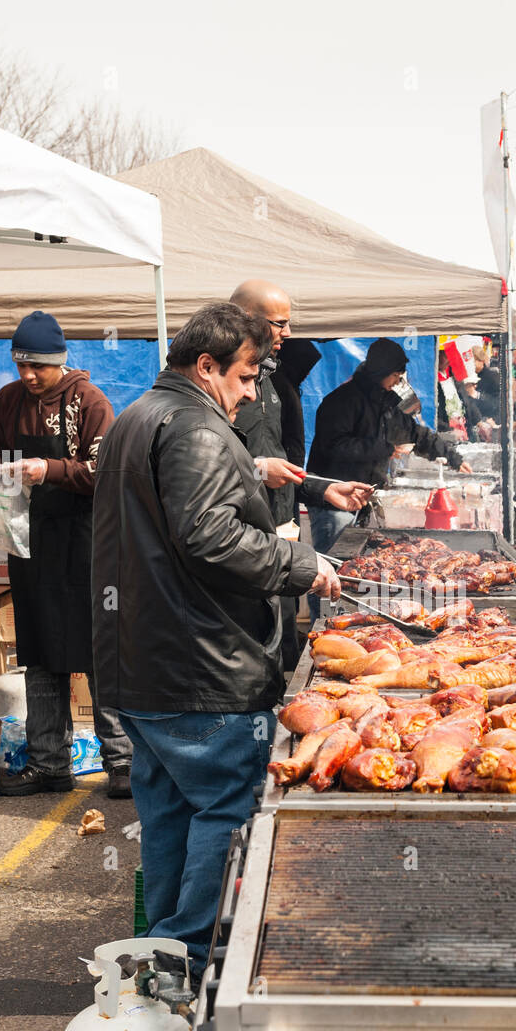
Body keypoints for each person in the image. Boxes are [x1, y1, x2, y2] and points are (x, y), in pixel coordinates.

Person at [91, 303, 340, 979]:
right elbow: (208, 539)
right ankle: (188, 960)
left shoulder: (141, 415)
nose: (254, 391)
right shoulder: (197, 428)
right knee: (224, 807)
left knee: (169, 810)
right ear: (207, 366)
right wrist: (301, 566)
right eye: (246, 376)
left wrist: (248, 472)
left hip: (139, 662)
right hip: (198, 664)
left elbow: (167, 512)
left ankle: (162, 951)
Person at [0, 310, 133, 799]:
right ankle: (49, 764)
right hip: (32, 546)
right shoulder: (6, 402)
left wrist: (47, 468)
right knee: (42, 654)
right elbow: (3, 470)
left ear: (60, 361)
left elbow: (105, 471)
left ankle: (122, 762)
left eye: (38, 367)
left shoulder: (88, 401)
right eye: (21, 365)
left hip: (87, 542)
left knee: (98, 653)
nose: (28, 376)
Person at [228, 280, 372, 664]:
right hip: (237, 542)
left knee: (284, 640)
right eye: (279, 323)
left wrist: (323, 489)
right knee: (251, 647)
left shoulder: (274, 383)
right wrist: (258, 471)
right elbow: (203, 469)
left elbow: (279, 462)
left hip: (280, 534)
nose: (288, 334)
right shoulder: (216, 385)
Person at [306, 338, 471, 612]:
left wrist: (452, 457)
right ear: (381, 371)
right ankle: (320, 627)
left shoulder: (386, 403)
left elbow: (415, 434)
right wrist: (385, 448)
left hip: (361, 499)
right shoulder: (343, 401)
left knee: (354, 573)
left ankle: (345, 624)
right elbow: (335, 447)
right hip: (333, 501)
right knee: (330, 573)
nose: (399, 381)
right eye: (396, 375)